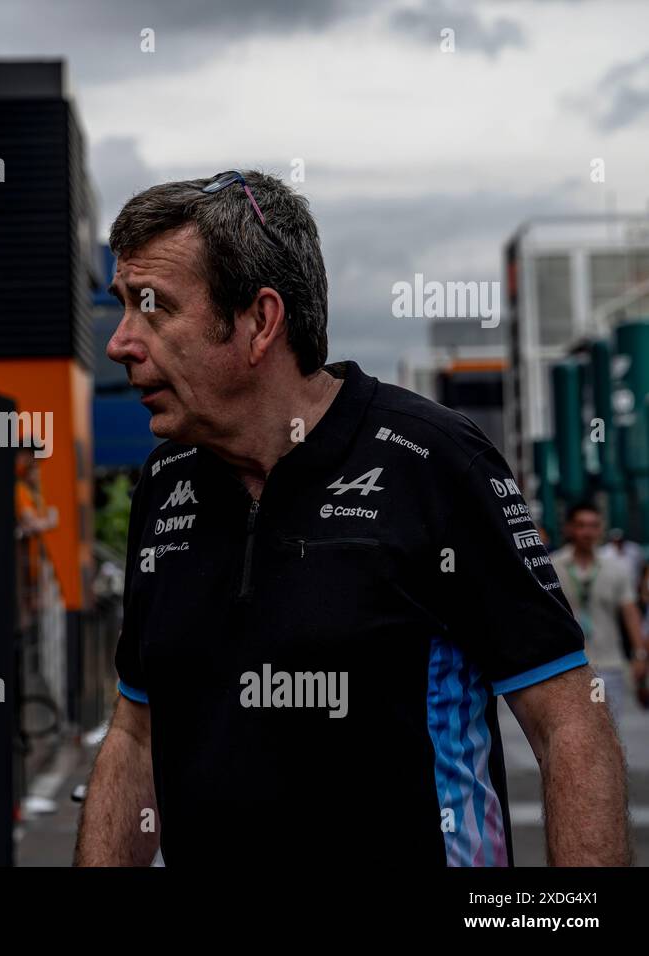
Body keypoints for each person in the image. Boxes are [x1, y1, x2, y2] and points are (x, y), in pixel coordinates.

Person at [74, 169, 631, 867]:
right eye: (122, 307)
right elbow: (137, 731)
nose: (122, 342)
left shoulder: (433, 461)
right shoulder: (166, 482)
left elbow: (567, 719)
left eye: (152, 309)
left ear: (259, 322)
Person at [552, 503, 649, 724]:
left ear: (600, 529)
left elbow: (630, 612)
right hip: (568, 665)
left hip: (609, 665)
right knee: (574, 731)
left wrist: (640, 655)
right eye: (581, 525)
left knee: (609, 729)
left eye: (593, 525)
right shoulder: (554, 566)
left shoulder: (615, 567)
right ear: (569, 528)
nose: (587, 532)